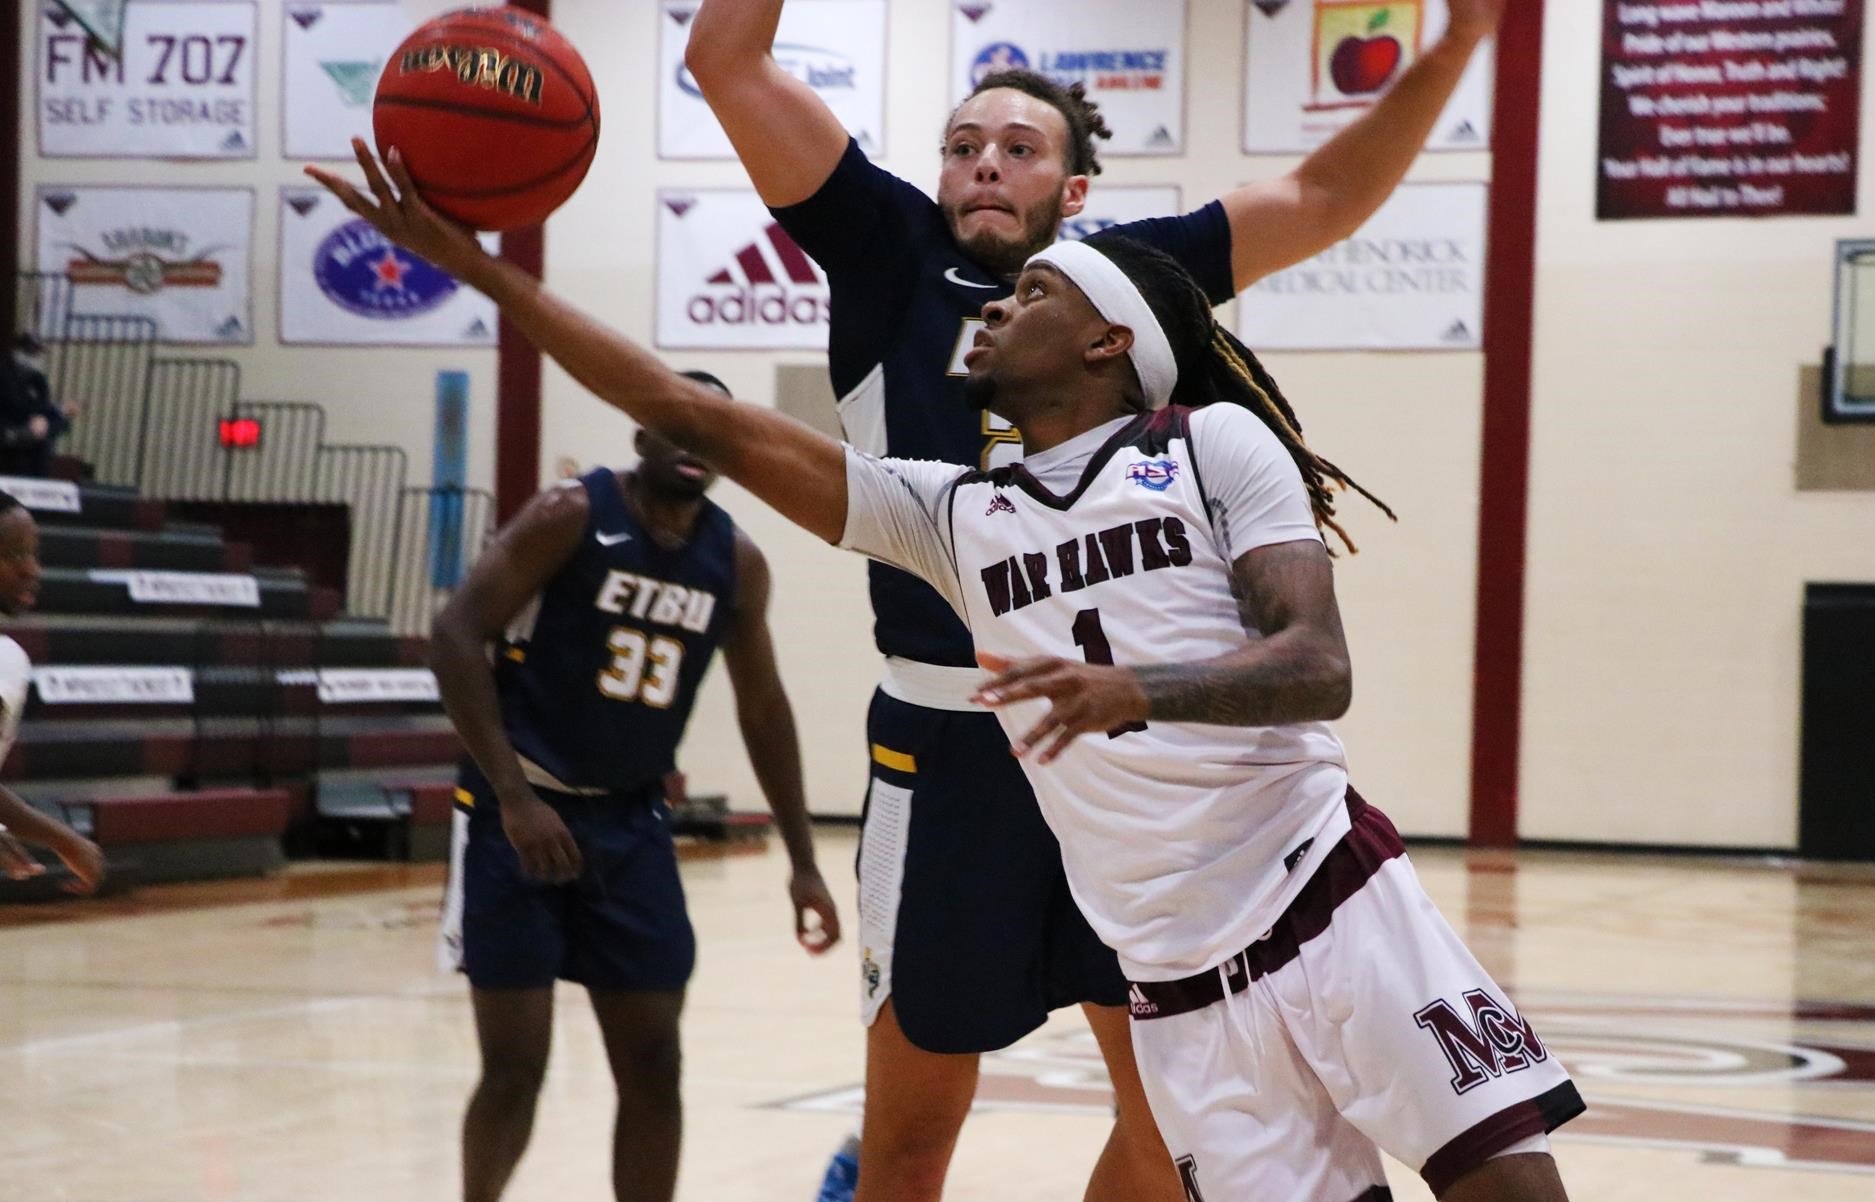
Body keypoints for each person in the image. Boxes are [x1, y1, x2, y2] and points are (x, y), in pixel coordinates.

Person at [309, 142, 1580, 1202]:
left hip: (1327, 905)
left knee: (1508, 1188)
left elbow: (1316, 663)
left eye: (1031, 291)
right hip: (1182, 990)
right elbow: (690, 413)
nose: (992, 303)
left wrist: (1142, 689)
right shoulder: (953, 517)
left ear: (1106, 345)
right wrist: (474, 265)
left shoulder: (1210, 447)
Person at [683, 4, 1503, 1196]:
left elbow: (1321, 200)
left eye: (1019, 148)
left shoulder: (1124, 283)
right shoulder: (885, 249)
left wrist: (1444, 54)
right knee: (912, 1123)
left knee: (1169, 1111)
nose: (983, 164)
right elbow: (725, 60)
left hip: (1130, 755)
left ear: (1073, 192)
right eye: (964, 144)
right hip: (949, 739)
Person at [422, 373, 843, 1202]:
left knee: (656, 1064)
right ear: (639, 436)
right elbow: (454, 633)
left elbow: (763, 708)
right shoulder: (568, 516)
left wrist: (803, 860)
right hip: (520, 818)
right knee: (515, 1067)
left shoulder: (736, 561)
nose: (692, 444)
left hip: (631, 824)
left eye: (711, 432)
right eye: (673, 427)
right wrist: (513, 796)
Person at [0, 491, 106, 893]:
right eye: (12, 555)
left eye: (33, 553)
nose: (32, 570)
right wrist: (69, 842)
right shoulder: (4, 658)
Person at [0, 335, 72, 479]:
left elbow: (42, 405)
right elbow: (15, 405)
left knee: (60, 423)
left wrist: (45, 419)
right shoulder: (4, 373)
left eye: (37, 353)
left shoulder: (38, 379)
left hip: (32, 429)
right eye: (30, 352)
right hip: (9, 426)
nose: (35, 357)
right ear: (17, 351)